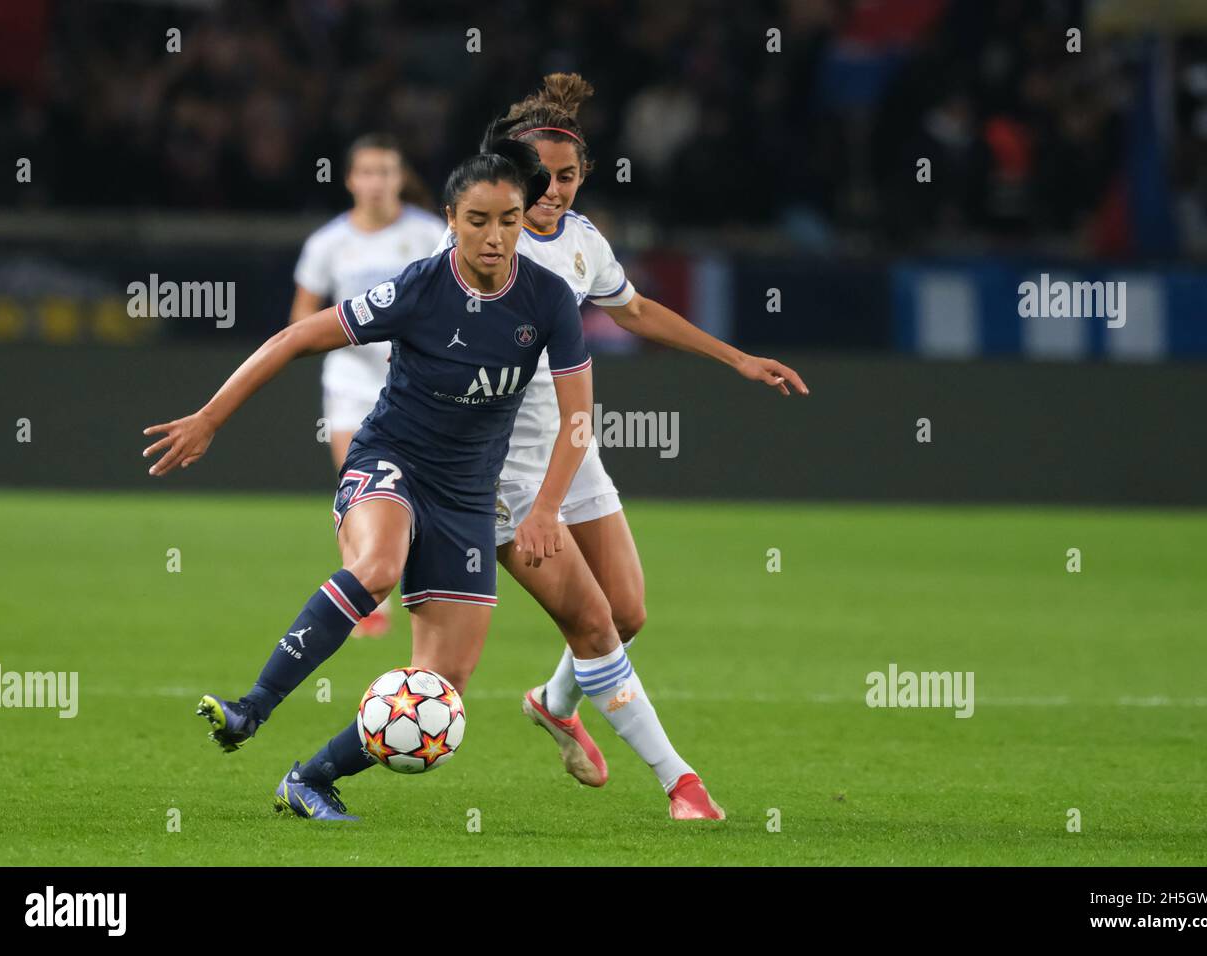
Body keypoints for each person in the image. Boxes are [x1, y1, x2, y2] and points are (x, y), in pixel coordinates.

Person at [143, 135, 595, 821]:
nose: (495, 236)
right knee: (379, 563)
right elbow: (294, 337)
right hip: (392, 462)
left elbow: (579, 421)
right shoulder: (418, 287)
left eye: (508, 220)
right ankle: (250, 709)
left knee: (442, 688)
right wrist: (210, 418)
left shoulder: (549, 301)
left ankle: (311, 779)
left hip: (470, 497)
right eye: (478, 220)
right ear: (449, 217)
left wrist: (545, 509)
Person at [435, 75, 808, 820]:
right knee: (594, 625)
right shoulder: (473, 243)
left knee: (627, 612)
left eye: (569, 177)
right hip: (503, 468)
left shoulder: (583, 244)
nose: (554, 191)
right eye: (541, 177)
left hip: (571, 449)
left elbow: (633, 309)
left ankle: (552, 701)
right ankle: (682, 782)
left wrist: (735, 358)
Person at [290, 134, 444, 637]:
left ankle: (428, 587)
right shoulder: (328, 243)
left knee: (425, 491)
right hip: (351, 380)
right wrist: (352, 340)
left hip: (417, 382)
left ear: (401, 179)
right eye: (368, 172)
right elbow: (301, 318)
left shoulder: (431, 235)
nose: (377, 182)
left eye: (387, 172)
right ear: (351, 179)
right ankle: (365, 600)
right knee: (356, 488)